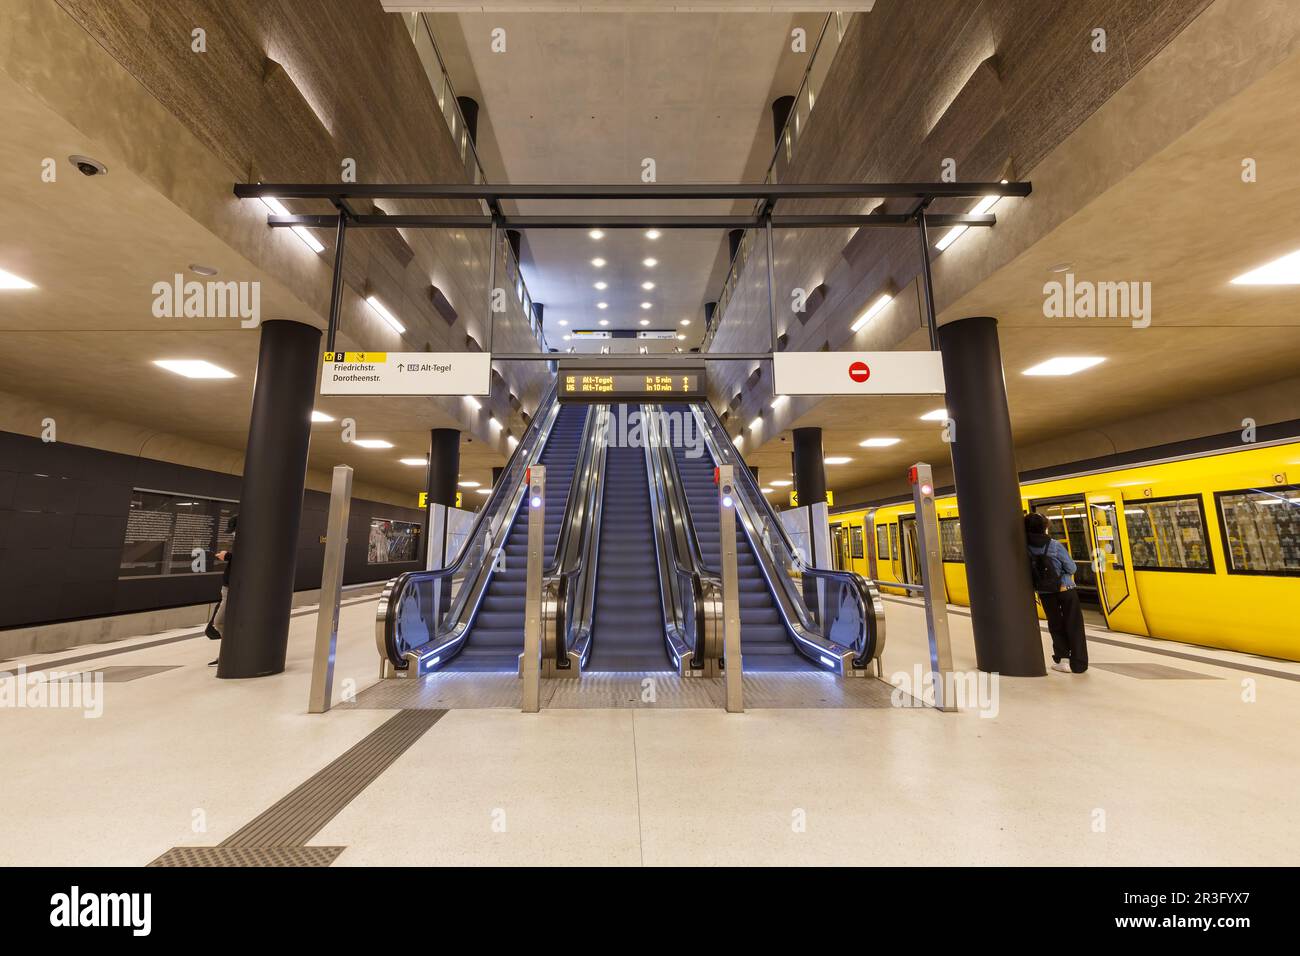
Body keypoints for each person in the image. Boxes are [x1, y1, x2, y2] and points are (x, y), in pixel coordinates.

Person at [1024, 512, 1088, 674]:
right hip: (1066, 590)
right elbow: (1072, 568)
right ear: (1044, 527)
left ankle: (1063, 660)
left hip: (1046, 593)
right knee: (1074, 625)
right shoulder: (1054, 545)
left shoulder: (1026, 547)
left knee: (1056, 625)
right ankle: (1079, 665)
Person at [205, 515, 236, 666]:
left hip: (231, 590)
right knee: (220, 622)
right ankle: (227, 652)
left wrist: (227, 556)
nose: (233, 534)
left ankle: (229, 652)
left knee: (219, 622)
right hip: (228, 588)